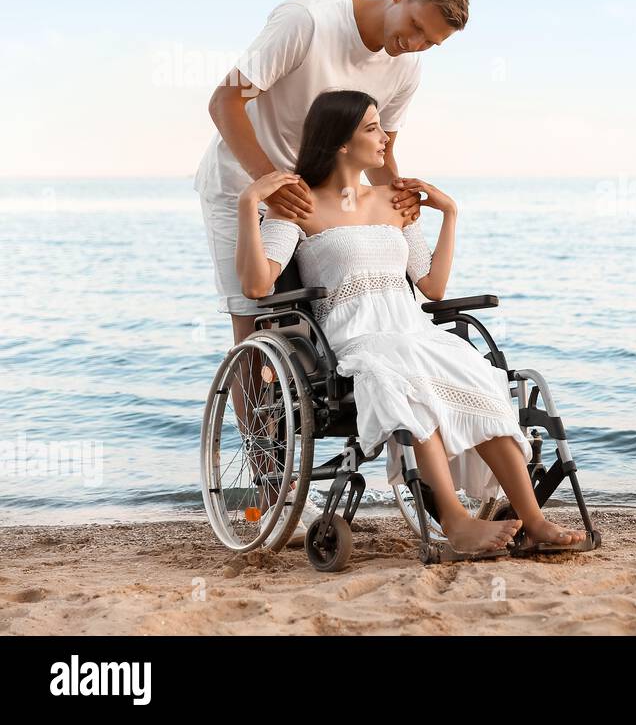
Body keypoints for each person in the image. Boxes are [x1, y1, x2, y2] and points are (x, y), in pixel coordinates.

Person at [236, 89, 587, 554]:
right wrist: (248, 206)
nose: (385, 139)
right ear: (341, 141)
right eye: (372, 128)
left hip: (411, 328)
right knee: (404, 377)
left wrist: (451, 215)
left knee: (478, 378)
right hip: (353, 335)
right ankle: (456, 520)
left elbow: (433, 286)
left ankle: (535, 520)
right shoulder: (299, 205)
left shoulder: (396, 202)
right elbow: (258, 286)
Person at [194, 0, 468, 535]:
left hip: (328, 196)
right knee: (257, 329)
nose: (415, 45)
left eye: (429, 43)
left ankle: (429, 478)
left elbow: (382, 147)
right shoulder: (309, 21)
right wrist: (268, 181)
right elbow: (224, 100)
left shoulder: (406, 67)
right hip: (243, 187)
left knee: (323, 323)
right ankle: (266, 497)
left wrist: (400, 197)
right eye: (415, 27)